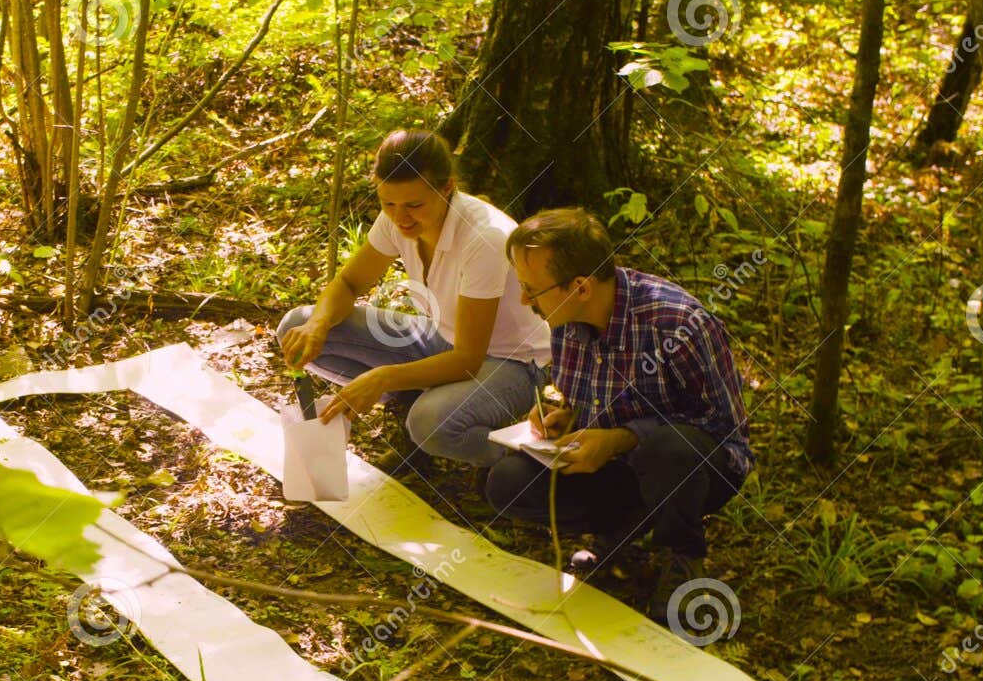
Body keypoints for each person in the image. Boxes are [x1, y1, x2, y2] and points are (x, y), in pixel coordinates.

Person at [485, 207, 754, 615]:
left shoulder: (675, 324)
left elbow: (722, 431)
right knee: (506, 482)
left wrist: (625, 437)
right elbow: (593, 398)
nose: (525, 300)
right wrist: (567, 418)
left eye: (532, 289)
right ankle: (619, 534)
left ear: (580, 287)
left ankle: (680, 558)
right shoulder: (565, 319)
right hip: (618, 466)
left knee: (667, 449)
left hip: (691, 469)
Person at [277, 129, 551, 469]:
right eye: (387, 203)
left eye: (414, 205)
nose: (400, 217)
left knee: (430, 423)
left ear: (447, 187)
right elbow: (348, 282)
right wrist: (317, 325)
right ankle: (411, 403)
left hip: (512, 363)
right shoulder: (397, 218)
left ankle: (513, 458)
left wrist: (383, 377)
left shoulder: (484, 237)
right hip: (442, 337)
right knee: (297, 325)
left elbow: (468, 358)